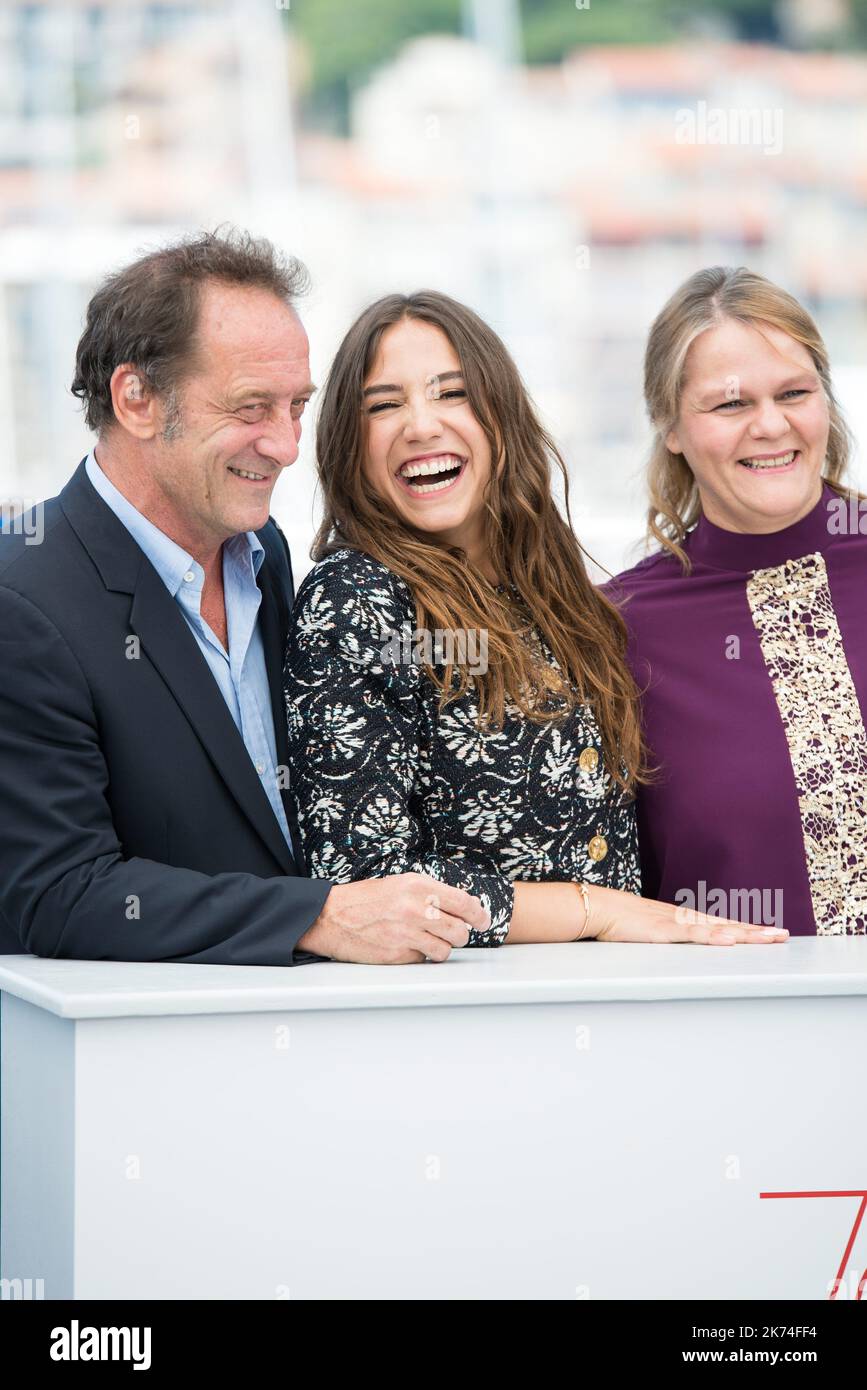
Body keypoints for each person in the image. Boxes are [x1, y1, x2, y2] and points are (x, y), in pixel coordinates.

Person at [0, 230, 492, 966]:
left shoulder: (266, 559)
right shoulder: (23, 596)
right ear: (136, 399)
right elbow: (58, 891)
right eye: (250, 408)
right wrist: (315, 915)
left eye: (296, 405)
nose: (288, 445)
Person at [283, 289, 790, 948]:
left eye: (451, 393)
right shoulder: (357, 598)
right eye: (384, 405)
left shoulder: (553, 595)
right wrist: (596, 910)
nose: (419, 424)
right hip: (475, 1020)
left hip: (604, 1002)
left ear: (501, 416)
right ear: (352, 443)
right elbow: (367, 887)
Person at [608, 264, 866, 936]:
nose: (770, 425)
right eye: (730, 405)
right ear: (669, 426)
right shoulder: (614, 630)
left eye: (793, 393)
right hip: (733, 1031)